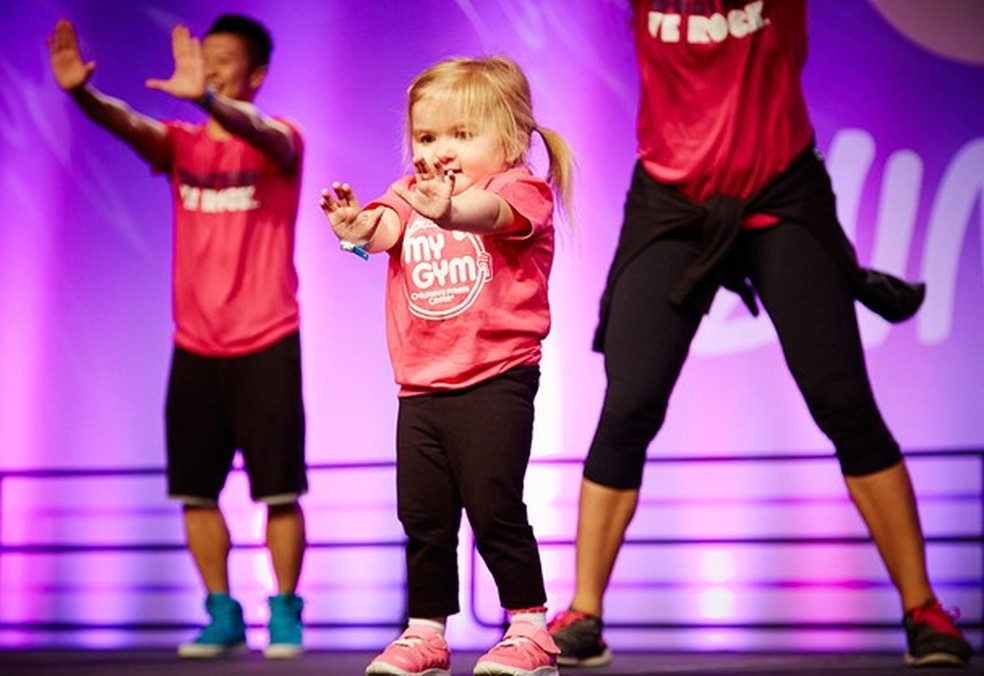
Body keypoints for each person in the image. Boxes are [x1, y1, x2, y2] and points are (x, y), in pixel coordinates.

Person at [547, 0, 973, 669]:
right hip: (671, 201)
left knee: (844, 403)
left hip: (781, 193)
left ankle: (924, 610)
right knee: (628, 403)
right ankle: (584, 612)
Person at [47, 15, 308, 659]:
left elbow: (268, 131)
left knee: (278, 491)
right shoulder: (183, 146)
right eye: (205, 57)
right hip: (194, 344)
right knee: (196, 489)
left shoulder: (281, 142)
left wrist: (212, 101)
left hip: (267, 338)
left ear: (258, 73)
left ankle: (284, 612)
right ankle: (221, 612)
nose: (211, 67)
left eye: (225, 60)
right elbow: (132, 124)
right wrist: (82, 95)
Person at [321, 55, 574, 676]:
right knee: (424, 518)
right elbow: (382, 230)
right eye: (428, 137)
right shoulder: (412, 191)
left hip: (496, 376)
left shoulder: (518, 188)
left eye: (462, 135)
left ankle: (529, 629)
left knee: (494, 507)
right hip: (420, 387)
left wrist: (451, 210)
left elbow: (492, 218)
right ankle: (426, 632)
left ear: (511, 138)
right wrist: (355, 228)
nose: (441, 152)